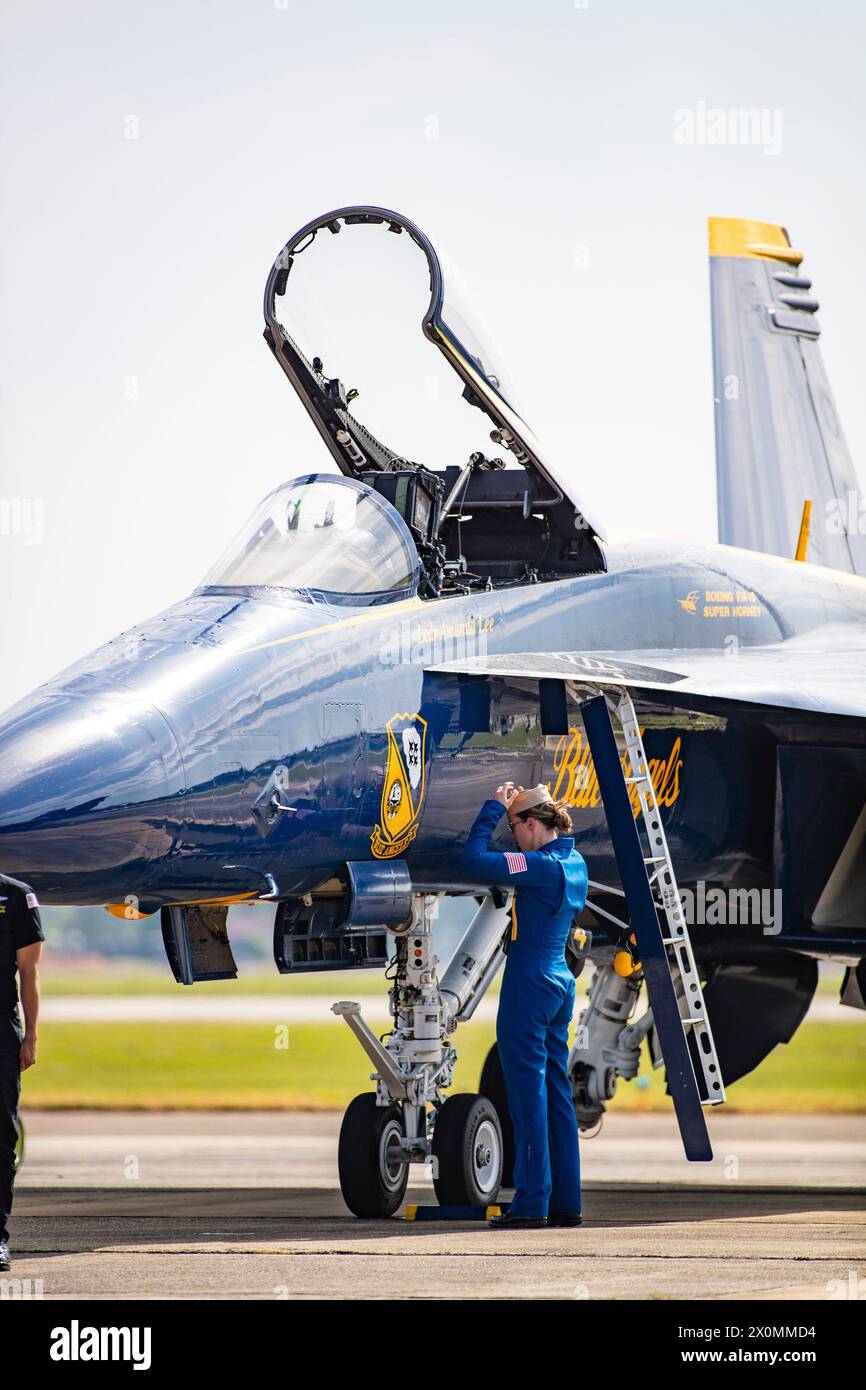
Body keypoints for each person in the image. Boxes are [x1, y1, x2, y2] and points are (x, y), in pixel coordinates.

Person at [461, 782, 588, 1229]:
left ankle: (532, 1203)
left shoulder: (538, 866)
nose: (510, 834)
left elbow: (473, 860)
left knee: (526, 1095)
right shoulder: (574, 863)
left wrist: (492, 806)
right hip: (560, 980)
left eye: (514, 825)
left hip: (529, 983)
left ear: (532, 823)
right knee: (557, 1094)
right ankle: (566, 1202)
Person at [0, 873, 43, 1272]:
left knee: (2, 1136)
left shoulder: (16, 896)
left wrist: (30, 1036)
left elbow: (29, 972)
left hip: (1, 1029)